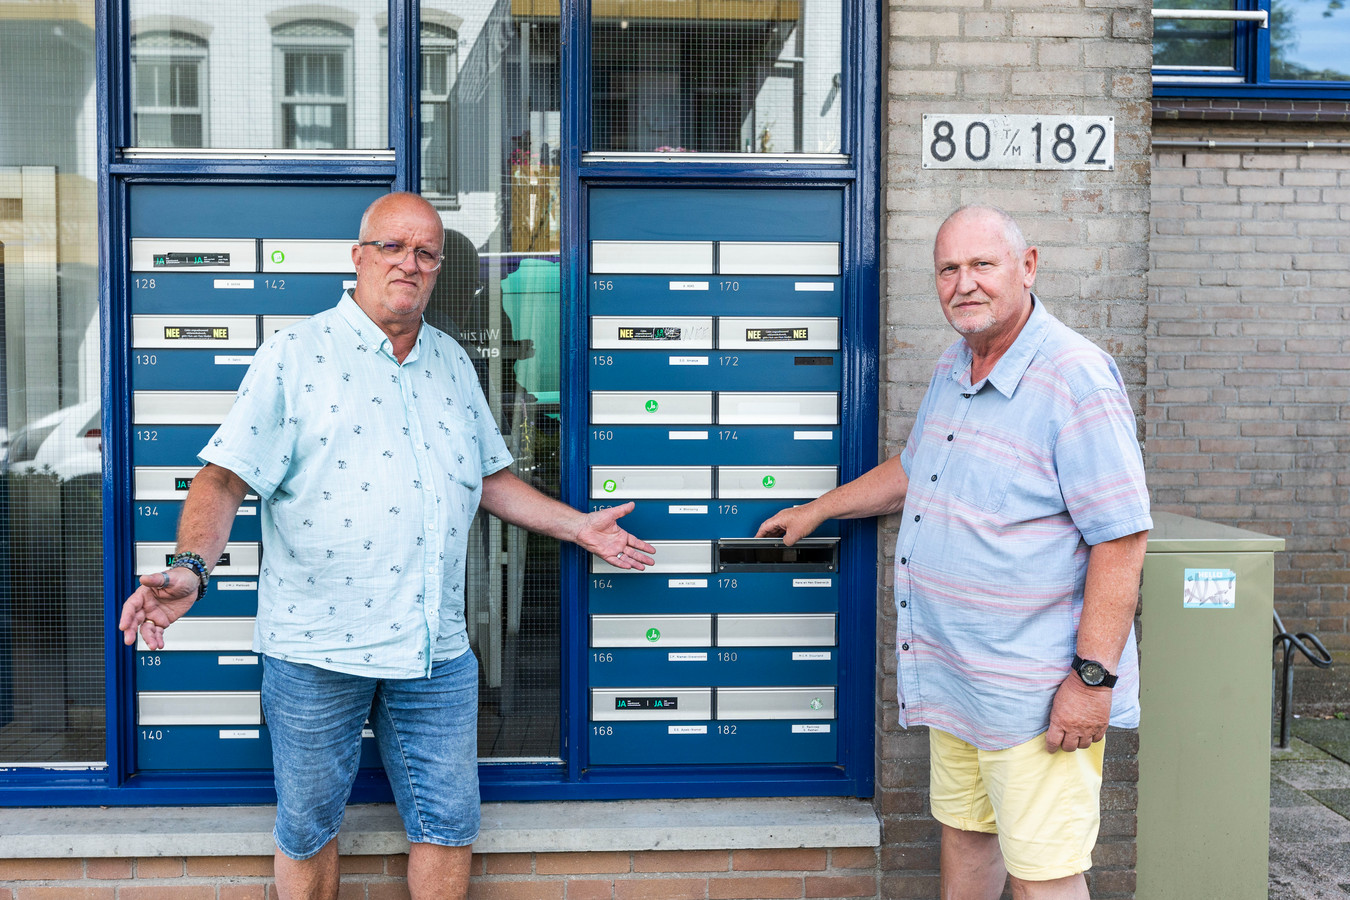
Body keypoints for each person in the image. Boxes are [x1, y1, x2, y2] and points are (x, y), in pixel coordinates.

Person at [118, 191, 655, 900]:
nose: (410, 262)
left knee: (450, 825)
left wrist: (576, 525)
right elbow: (222, 480)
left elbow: (489, 478)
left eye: (426, 252)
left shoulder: (452, 363)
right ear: (359, 257)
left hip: (434, 653)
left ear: (438, 270)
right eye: (393, 247)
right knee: (308, 830)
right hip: (318, 652)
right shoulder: (295, 355)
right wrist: (191, 568)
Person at [757, 205, 1151, 899]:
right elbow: (916, 469)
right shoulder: (958, 363)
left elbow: (1120, 537)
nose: (963, 283)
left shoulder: (1074, 377)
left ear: (1027, 268)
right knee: (968, 842)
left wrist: (1091, 682)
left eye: (982, 265)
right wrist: (821, 508)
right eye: (948, 269)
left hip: (1035, 694)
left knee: (1045, 877)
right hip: (960, 682)